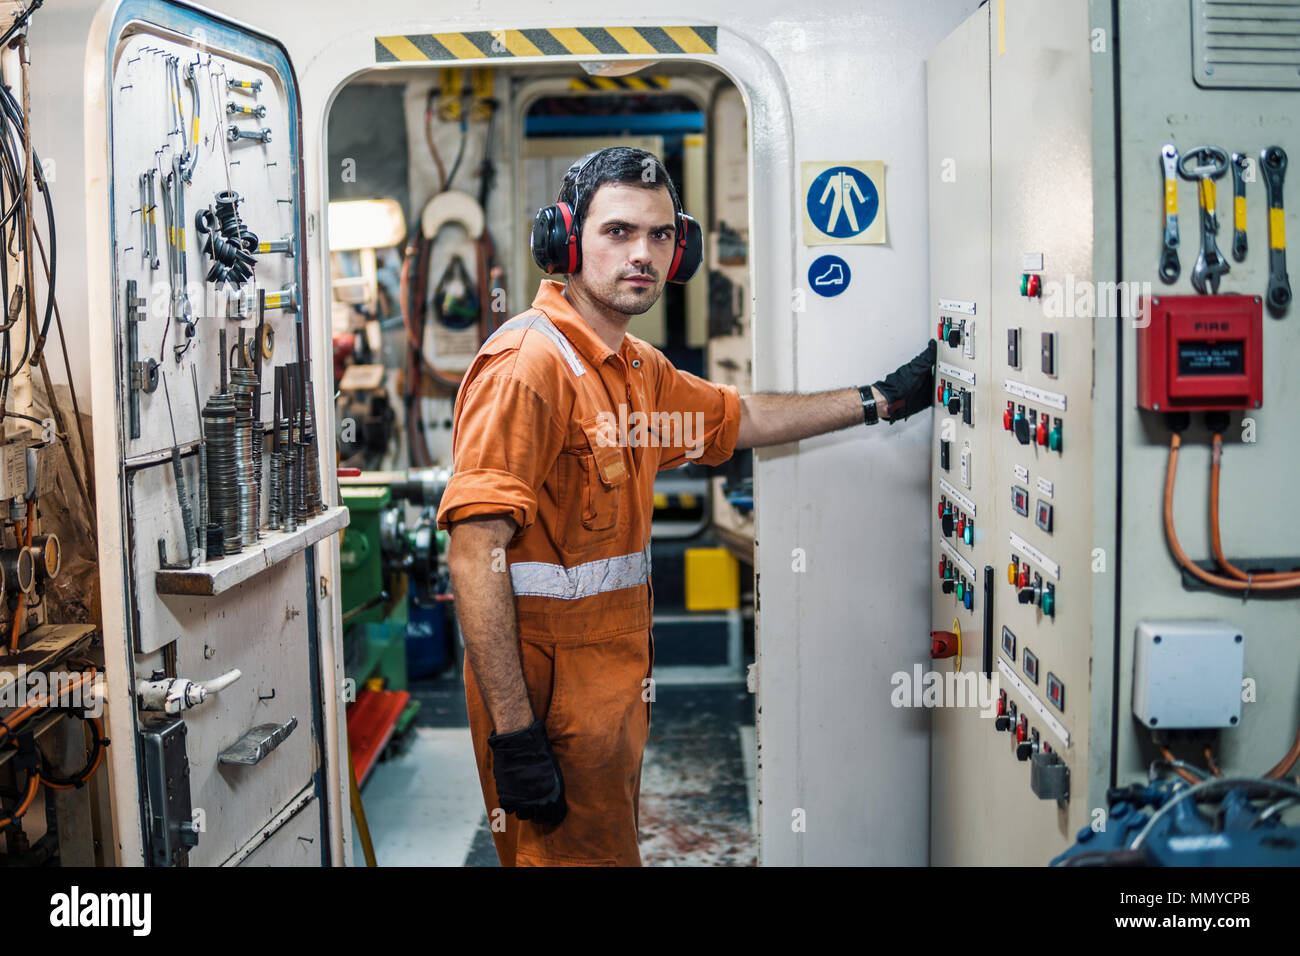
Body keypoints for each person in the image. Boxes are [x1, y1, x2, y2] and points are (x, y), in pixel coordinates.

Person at [434, 147, 935, 866]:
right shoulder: (528, 368)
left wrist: (879, 400)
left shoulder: (635, 369)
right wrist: (515, 734)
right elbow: (473, 552)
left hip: (609, 690)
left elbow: (741, 417)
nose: (642, 254)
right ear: (565, 241)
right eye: (618, 232)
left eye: (661, 235)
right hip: (549, 702)